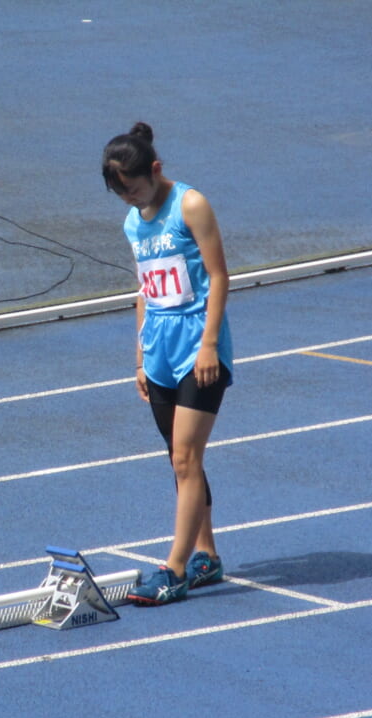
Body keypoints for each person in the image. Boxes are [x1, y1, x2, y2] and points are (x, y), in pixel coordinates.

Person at [102, 122, 234, 606]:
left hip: (198, 349)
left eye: (135, 188)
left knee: (186, 456)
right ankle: (207, 556)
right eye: (122, 195)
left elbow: (219, 277)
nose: (132, 201)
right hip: (157, 350)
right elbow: (145, 289)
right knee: (180, 465)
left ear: (155, 170)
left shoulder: (191, 205)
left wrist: (209, 345)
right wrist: (139, 355)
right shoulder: (134, 222)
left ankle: (174, 570)